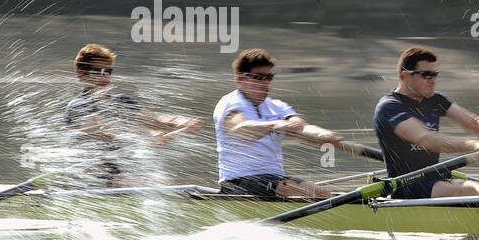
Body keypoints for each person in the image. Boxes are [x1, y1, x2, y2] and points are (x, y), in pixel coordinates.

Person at [373, 46, 479, 199]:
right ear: (405, 76)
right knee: (478, 192)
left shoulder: (436, 100)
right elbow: (426, 139)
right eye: (426, 75)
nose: (432, 80)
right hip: (407, 186)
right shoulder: (389, 107)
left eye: (435, 74)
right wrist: (475, 145)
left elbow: (477, 124)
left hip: (437, 179)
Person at [213, 48, 351, 199]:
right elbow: (241, 129)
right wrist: (276, 125)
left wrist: (324, 135)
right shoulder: (231, 103)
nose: (265, 83)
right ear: (241, 78)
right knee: (308, 193)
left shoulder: (277, 106)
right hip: (239, 182)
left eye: (269, 77)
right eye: (258, 78)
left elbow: (301, 127)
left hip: (273, 179)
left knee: (322, 194)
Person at [64, 43, 203, 188]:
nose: (105, 75)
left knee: (161, 180)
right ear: (82, 73)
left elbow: (154, 119)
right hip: (86, 172)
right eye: (98, 70)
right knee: (156, 183)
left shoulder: (122, 101)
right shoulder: (78, 106)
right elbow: (104, 130)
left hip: (112, 171)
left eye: (108, 71)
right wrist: (147, 134)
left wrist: (182, 122)